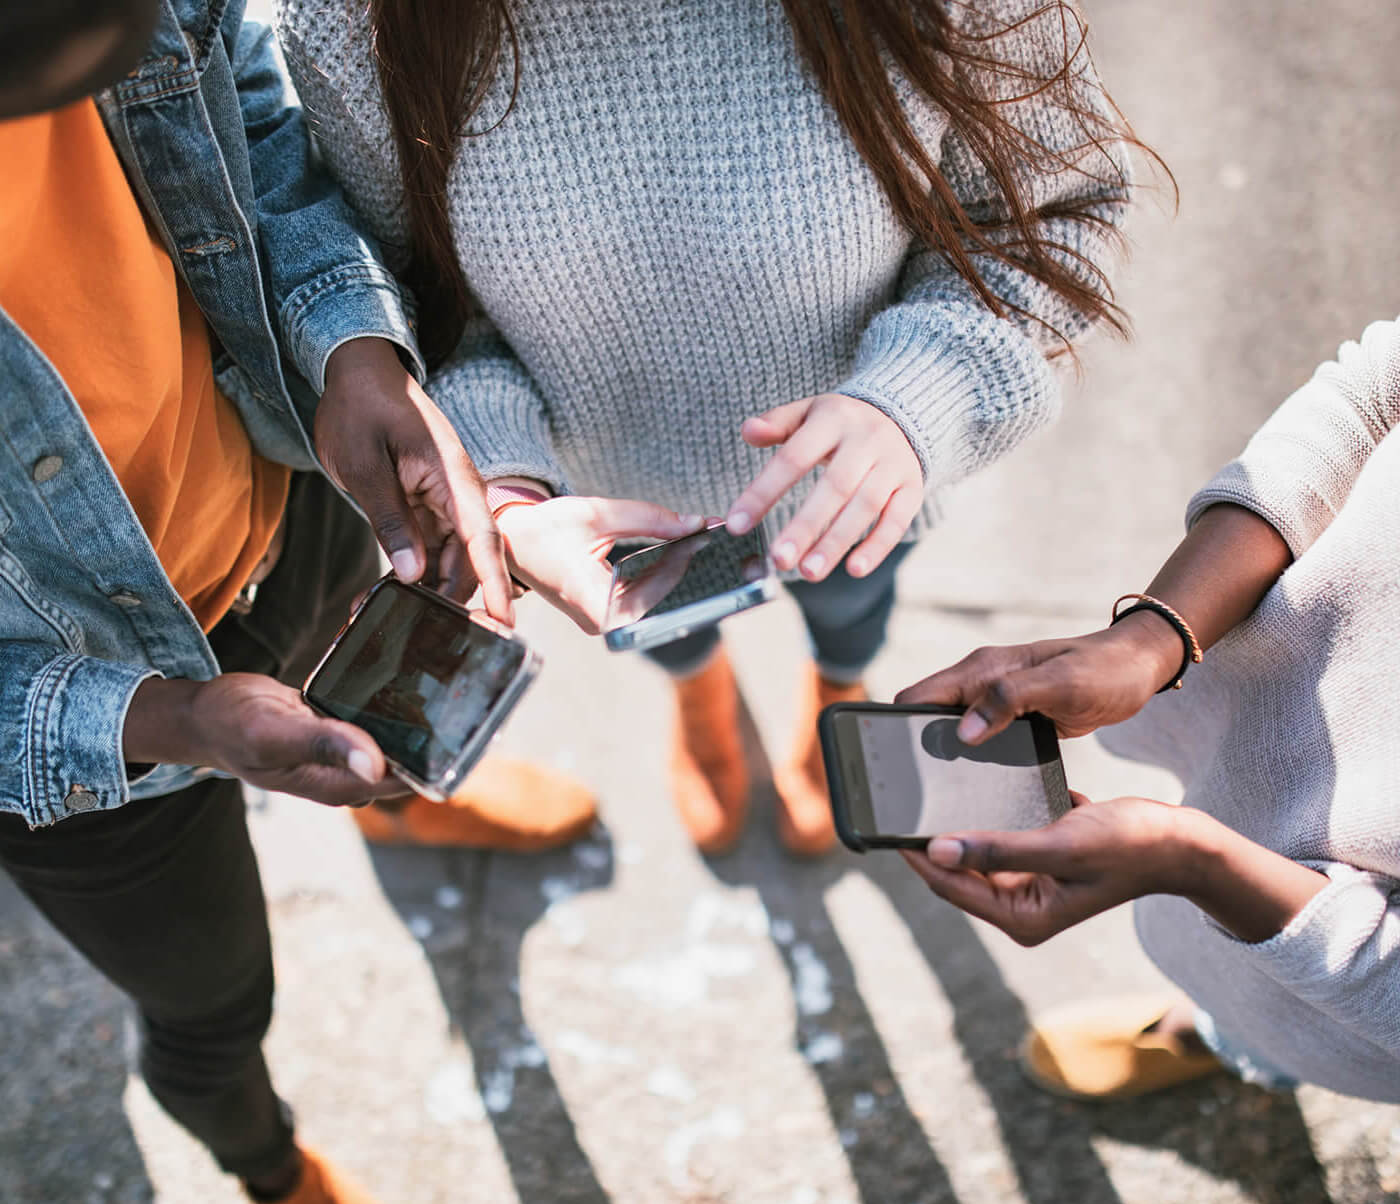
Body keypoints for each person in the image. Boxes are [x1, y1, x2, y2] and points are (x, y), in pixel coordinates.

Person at [275, 0, 1141, 857]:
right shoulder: (350, 21)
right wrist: (500, 481)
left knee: (853, 604)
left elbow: (1053, 213)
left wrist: (918, 399)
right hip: (608, 497)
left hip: (859, 482)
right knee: (664, 623)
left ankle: (838, 694)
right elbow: (420, 309)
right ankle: (703, 696)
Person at [0, 2, 578, 1204]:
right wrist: (173, 720)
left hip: (276, 491)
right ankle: (274, 1171)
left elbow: (248, 115)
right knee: (213, 1002)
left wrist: (351, 346)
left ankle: (404, 790)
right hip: (97, 727)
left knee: (367, 692)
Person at [896, 316, 1400, 1104]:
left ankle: (1235, 1042)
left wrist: (1187, 859)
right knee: (1232, 965)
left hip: (1348, 995)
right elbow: (1377, 386)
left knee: (1286, 1016)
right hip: (1257, 694)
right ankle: (1215, 1024)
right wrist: (1156, 636)